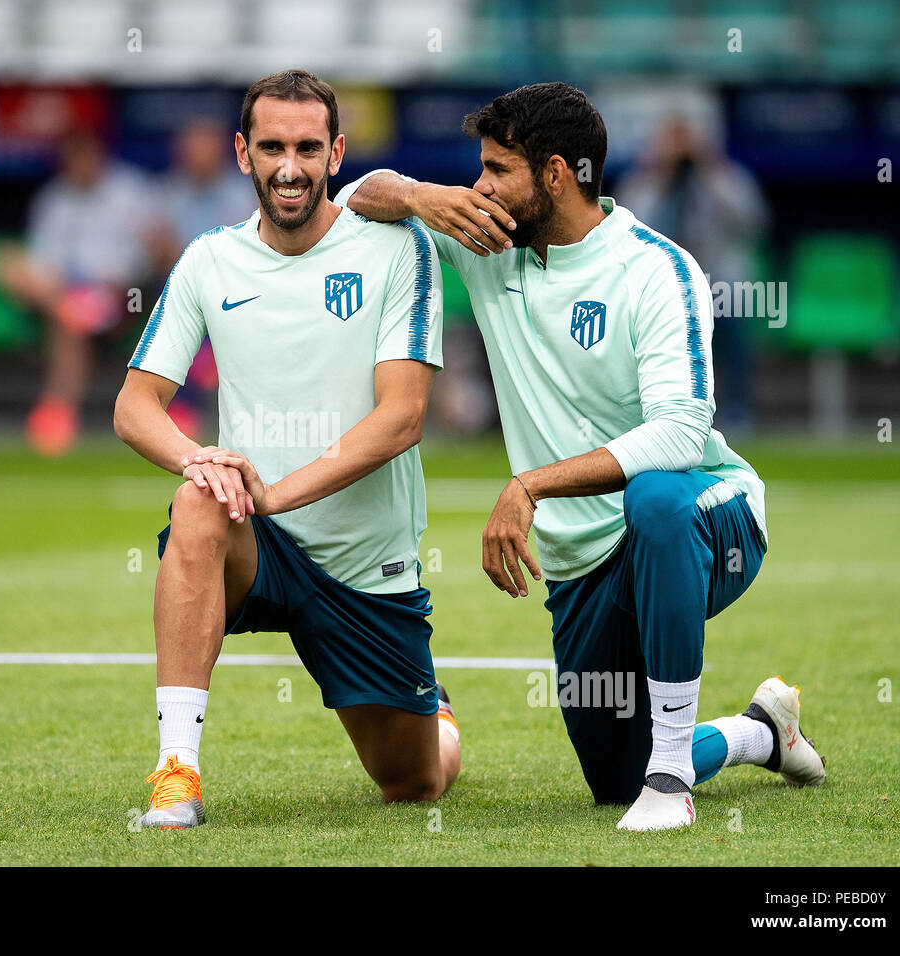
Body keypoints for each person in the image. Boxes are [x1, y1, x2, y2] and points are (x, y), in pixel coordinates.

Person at [339, 82, 824, 832]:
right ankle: (763, 730)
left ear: (557, 174)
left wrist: (529, 486)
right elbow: (352, 198)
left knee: (655, 500)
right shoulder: (483, 246)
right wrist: (421, 197)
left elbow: (679, 435)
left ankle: (671, 782)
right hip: (583, 570)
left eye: (497, 169)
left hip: (706, 518)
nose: (480, 186)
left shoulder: (655, 270)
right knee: (609, 780)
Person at [113, 70, 458, 829]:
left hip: (366, 567)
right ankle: (177, 776)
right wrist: (200, 460)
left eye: (307, 147)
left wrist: (277, 490)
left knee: (416, 782)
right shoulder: (209, 259)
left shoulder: (400, 250)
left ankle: (438, 714)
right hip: (255, 538)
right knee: (198, 499)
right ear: (243, 153)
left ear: (337, 152)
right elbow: (135, 408)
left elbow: (401, 420)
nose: (290, 166)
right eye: (271, 146)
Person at [0, 128, 158, 456]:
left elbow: (146, 258)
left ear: (99, 157)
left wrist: (105, 284)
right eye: (72, 160)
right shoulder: (53, 199)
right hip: (65, 292)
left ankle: (58, 409)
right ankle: (69, 308)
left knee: (68, 316)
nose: (80, 166)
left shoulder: (131, 191)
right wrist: (63, 290)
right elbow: (43, 260)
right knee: (6, 261)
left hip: (122, 296)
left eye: (86, 157)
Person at [616, 116, 770, 432]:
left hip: (720, 283)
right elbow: (630, 232)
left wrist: (708, 173)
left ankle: (738, 411)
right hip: (664, 285)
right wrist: (663, 178)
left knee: (735, 325)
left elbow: (753, 223)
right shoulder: (643, 183)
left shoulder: (726, 178)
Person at [156, 117, 257, 440]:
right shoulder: (167, 192)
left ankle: (211, 367)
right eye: (192, 149)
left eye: (206, 148)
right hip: (177, 281)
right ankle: (183, 402)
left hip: (235, 283)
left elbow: (251, 246)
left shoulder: (243, 192)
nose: (199, 156)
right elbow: (158, 245)